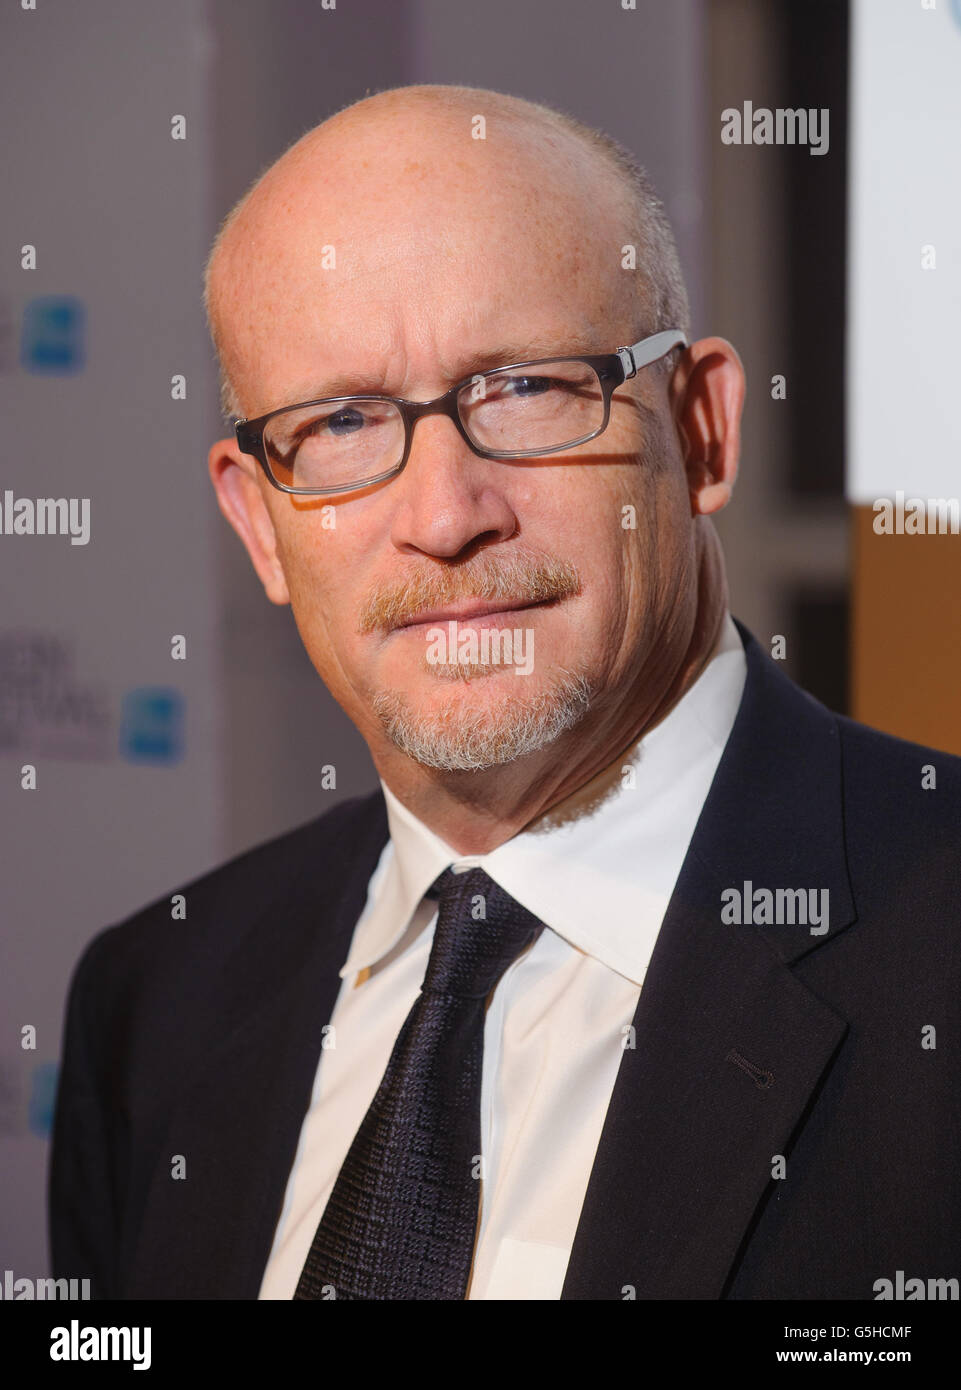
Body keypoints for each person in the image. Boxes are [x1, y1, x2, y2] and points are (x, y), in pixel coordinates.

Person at [48, 83, 961, 1301]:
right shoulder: (158, 996)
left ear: (698, 431)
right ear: (259, 525)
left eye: (526, 388)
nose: (443, 516)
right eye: (341, 422)